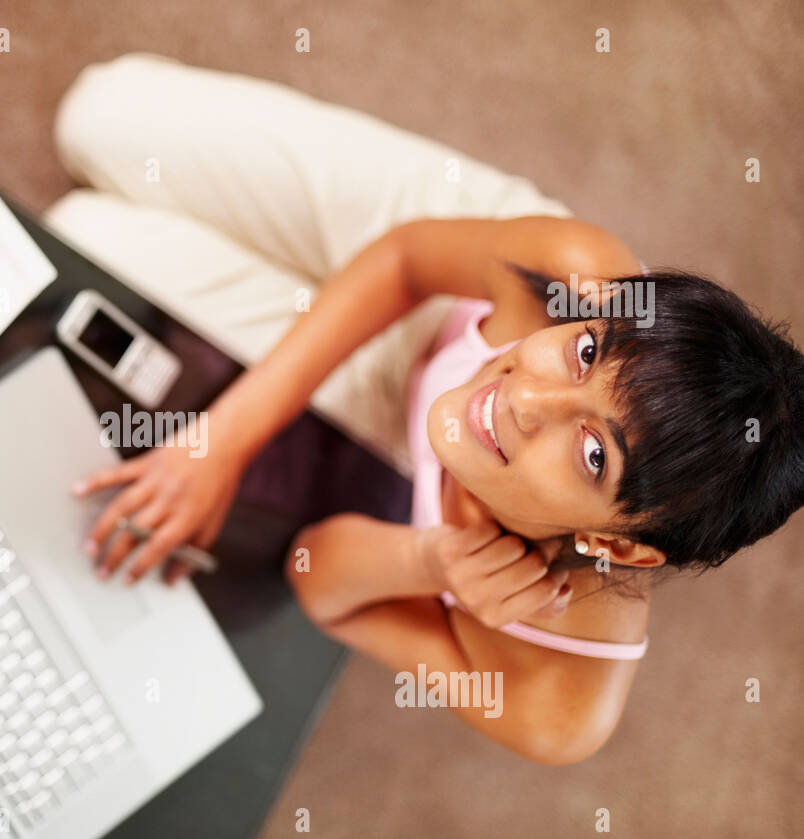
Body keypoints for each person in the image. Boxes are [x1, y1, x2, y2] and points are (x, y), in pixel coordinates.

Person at [49, 54, 804, 764]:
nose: (525, 396)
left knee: (78, 231)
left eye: (593, 453)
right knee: (95, 115)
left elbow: (317, 580)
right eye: (584, 354)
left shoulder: (556, 701)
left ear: (627, 548)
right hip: (448, 284)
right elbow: (405, 261)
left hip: (399, 425)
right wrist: (225, 440)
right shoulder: (577, 277)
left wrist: (430, 559)